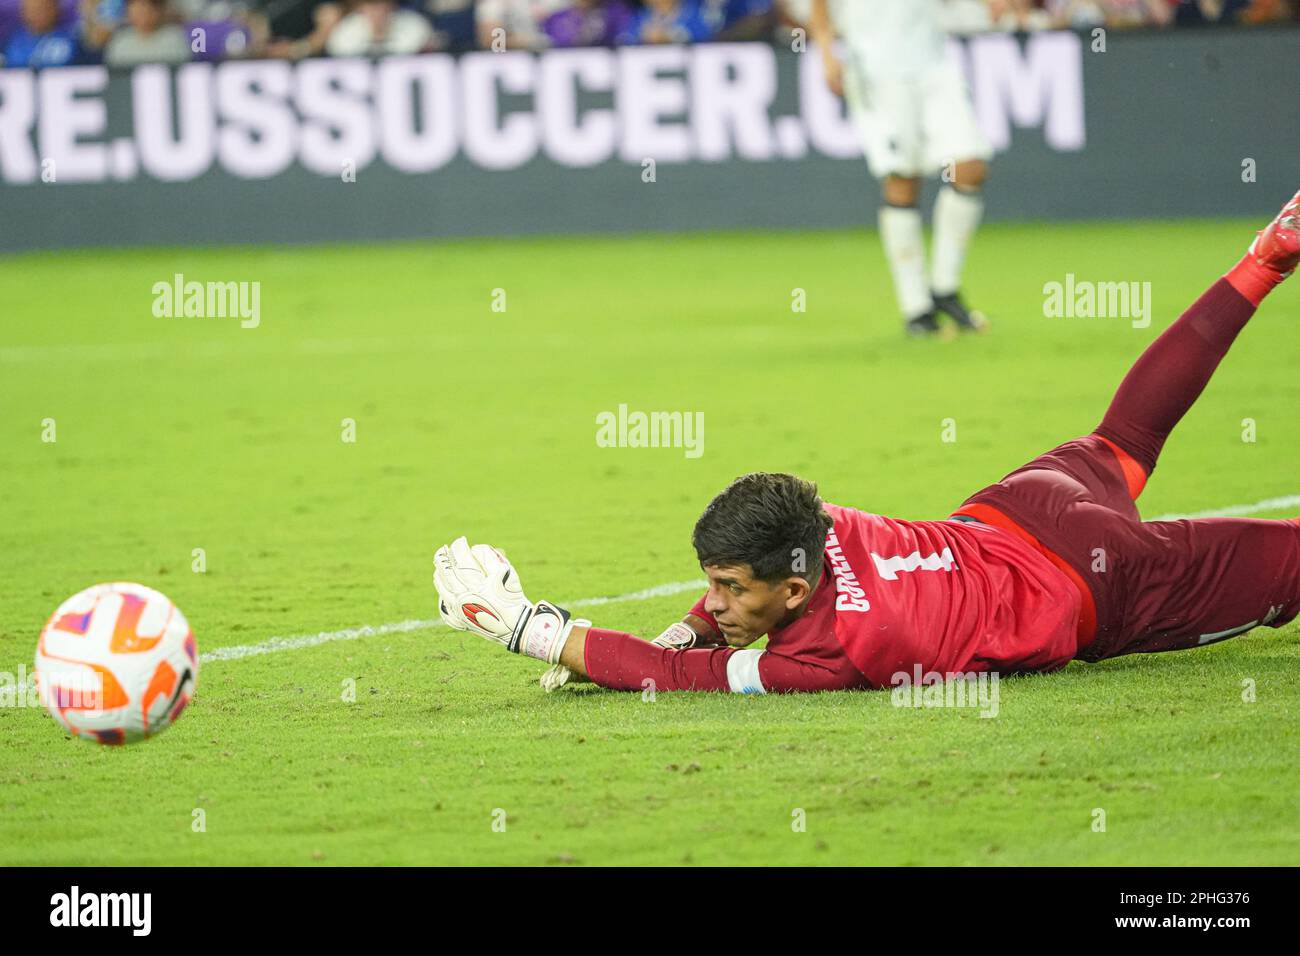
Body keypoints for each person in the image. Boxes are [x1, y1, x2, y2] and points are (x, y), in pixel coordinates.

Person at [434, 192, 1300, 694]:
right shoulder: (816, 518)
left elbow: (683, 685)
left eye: (730, 590)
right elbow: (702, 639)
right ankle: (1264, 258)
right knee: (1127, 434)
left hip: (1097, 585)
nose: (719, 603)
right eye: (713, 586)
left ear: (797, 583)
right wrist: (689, 629)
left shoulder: (824, 653)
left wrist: (531, 632)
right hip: (1025, 507)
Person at [805, 0, 993, 337]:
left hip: (934, 64)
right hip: (877, 71)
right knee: (903, 178)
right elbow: (820, 8)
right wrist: (827, 54)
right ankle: (916, 309)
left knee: (970, 166)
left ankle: (944, 288)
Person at [3, 0, 80, 66]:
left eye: (42, 8)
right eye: (32, 9)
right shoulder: (10, 41)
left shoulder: (70, 42)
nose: (36, 14)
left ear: (55, 9)